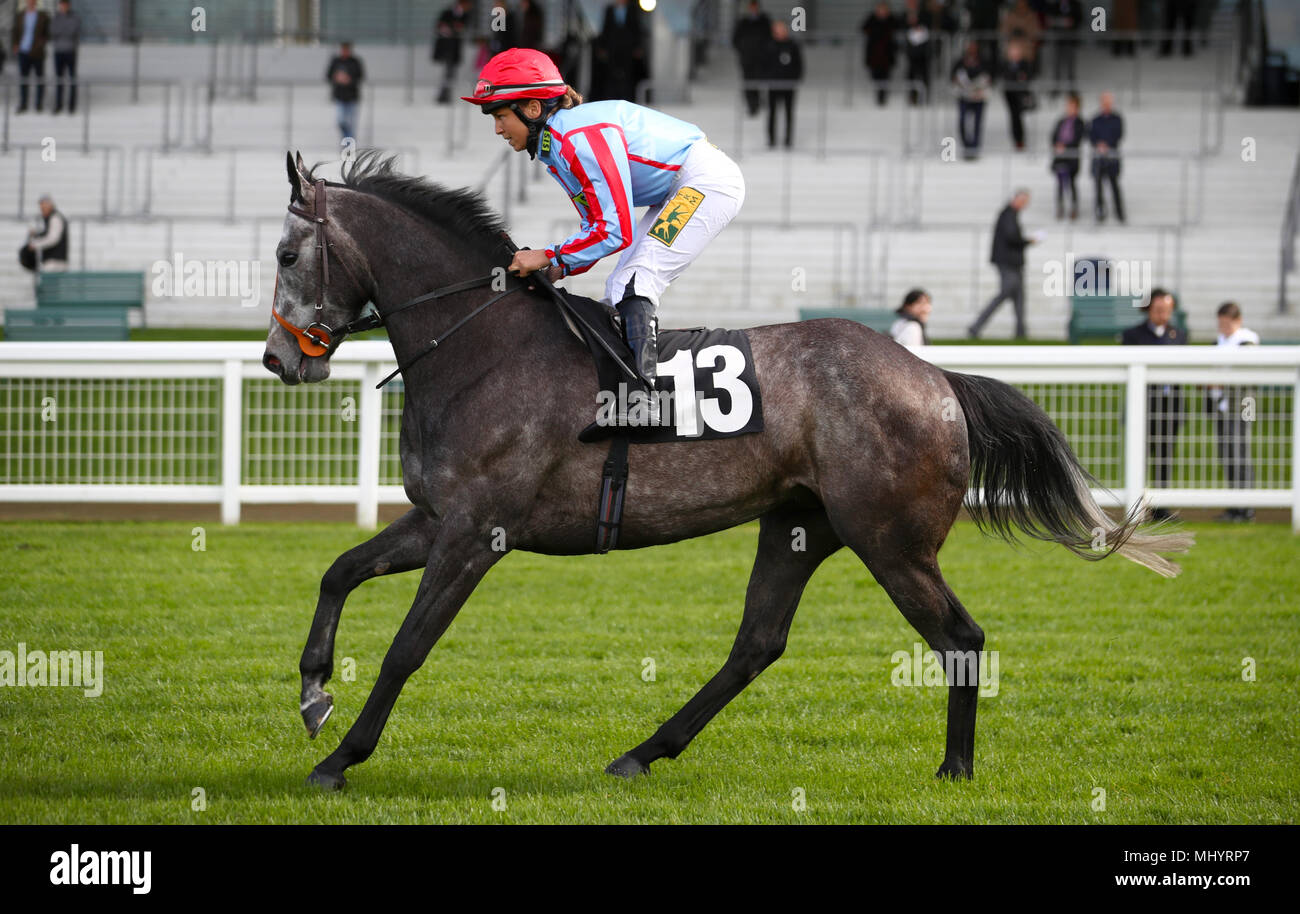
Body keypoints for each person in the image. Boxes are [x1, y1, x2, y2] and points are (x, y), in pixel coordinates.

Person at [461, 48, 745, 424]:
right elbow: (597, 227)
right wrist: (559, 266)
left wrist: (547, 255)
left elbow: (616, 230)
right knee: (617, 289)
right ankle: (623, 397)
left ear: (532, 109)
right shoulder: (556, 147)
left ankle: (645, 404)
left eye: (500, 116)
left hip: (704, 181)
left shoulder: (577, 137)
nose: (497, 129)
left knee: (636, 280)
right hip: (676, 189)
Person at [1121, 288, 1187, 521]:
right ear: (1149, 309)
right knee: (1139, 456)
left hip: (1170, 407)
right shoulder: (1132, 335)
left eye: (1167, 310)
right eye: (1159, 310)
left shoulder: (1178, 335)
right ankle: (1137, 507)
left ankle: (1160, 508)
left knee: (1164, 456)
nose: (1163, 314)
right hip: (1144, 407)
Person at [1211, 302, 1259, 522]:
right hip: (1221, 406)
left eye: (1227, 323)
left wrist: (1220, 382)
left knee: (1240, 454)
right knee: (1228, 454)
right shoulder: (1219, 341)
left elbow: (1245, 369)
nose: (1224, 327)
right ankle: (1234, 505)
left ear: (1237, 321)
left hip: (1241, 406)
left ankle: (1245, 507)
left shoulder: (1247, 340)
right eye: (1221, 323)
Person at [968, 189, 1037, 339]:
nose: (1024, 205)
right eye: (1023, 201)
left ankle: (1021, 332)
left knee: (1019, 298)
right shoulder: (1008, 215)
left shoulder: (1010, 215)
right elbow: (1012, 238)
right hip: (1008, 263)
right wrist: (1028, 241)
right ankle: (975, 327)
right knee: (1004, 294)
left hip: (1013, 263)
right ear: (1016, 199)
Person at [595, 0, 645, 102]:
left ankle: (628, 98)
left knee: (628, 75)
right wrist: (602, 47)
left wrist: (638, 46)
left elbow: (637, 29)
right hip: (612, 48)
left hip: (627, 49)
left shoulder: (633, 9)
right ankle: (610, 98)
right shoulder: (609, 10)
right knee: (611, 75)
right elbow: (605, 29)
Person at [762, 19, 802, 149]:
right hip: (774, 84)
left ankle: (788, 140)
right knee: (772, 112)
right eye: (778, 30)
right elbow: (764, 64)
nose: (781, 32)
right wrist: (768, 78)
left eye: (783, 29)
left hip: (789, 85)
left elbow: (799, 64)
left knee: (789, 112)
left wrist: (795, 79)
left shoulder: (792, 45)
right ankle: (771, 139)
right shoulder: (769, 45)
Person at [1089, 91, 1125, 224]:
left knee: (1114, 185)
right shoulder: (1095, 119)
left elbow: (1119, 134)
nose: (1107, 104)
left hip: (1112, 157)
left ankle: (1120, 212)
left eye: (1109, 102)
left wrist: (1107, 145)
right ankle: (1100, 212)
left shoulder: (1117, 119)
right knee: (1098, 187)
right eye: (1104, 102)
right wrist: (1099, 145)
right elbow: (1091, 135)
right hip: (1098, 157)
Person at [951, 41, 990, 160]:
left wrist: (980, 87)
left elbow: (989, 76)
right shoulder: (960, 62)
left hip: (979, 97)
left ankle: (974, 148)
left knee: (977, 123)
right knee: (962, 121)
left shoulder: (983, 62)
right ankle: (967, 146)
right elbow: (953, 76)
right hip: (964, 97)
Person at [1049, 91, 1085, 220]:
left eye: (1071, 106)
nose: (1068, 108)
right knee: (1059, 184)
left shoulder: (1080, 122)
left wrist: (1065, 147)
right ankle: (1060, 207)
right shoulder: (1061, 121)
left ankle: (1074, 208)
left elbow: (1077, 139)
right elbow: (1053, 136)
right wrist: (1057, 145)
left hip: (1071, 158)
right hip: (1060, 157)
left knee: (1072, 183)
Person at [732, 0, 771, 117]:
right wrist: (743, 50)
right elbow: (735, 39)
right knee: (748, 81)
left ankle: (757, 101)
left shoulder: (764, 21)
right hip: (747, 58)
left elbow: (769, 37)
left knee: (758, 79)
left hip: (760, 58)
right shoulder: (743, 22)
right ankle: (751, 104)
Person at [11, 0, 50, 114]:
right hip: (24, 51)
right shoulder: (20, 15)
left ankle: (39, 104)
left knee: (39, 79)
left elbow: (47, 33)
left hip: (37, 52)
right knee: (24, 79)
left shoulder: (43, 16)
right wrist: (15, 44)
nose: (30, 2)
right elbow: (15, 31)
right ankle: (23, 103)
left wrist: (42, 42)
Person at [433, 0, 471, 106]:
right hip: (446, 48)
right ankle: (443, 95)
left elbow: (462, 28)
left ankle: (445, 94)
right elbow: (440, 26)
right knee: (448, 73)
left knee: (451, 73)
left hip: (455, 49)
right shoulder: (448, 12)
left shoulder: (465, 15)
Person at [325, 41, 364, 144]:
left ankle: (349, 146)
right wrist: (337, 78)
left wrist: (349, 80)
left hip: (352, 97)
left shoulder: (355, 62)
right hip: (340, 97)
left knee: (351, 123)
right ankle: (346, 140)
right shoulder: (336, 61)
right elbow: (328, 76)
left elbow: (360, 76)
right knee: (341, 121)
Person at [19, 194, 68, 273]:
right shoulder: (51, 218)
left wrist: (35, 245)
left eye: (44, 207)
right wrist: (37, 234)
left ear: (50, 206)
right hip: (52, 261)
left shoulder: (55, 218)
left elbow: (53, 238)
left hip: (55, 262)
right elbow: (49, 234)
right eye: (41, 208)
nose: (42, 210)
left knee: (49, 284)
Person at [861, 2, 896, 107]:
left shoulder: (892, 20)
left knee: (885, 76)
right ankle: (878, 95)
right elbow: (863, 28)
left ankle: (882, 97)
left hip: (887, 55)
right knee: (875, 76)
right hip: (874, 55)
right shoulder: (871, 19)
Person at [1042, 0, 1081, 94]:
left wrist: (1072, 22)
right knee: (1056, 64)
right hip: (1058, 40)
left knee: (1070, 65)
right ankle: (1056, 87)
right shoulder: (1054, 5)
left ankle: (1071, 88)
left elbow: (1079, 19)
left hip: (1070, 40)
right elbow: (1048, 19)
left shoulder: (1075, 5)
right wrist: (1055, 22)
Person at [1001, 39, 1032, 151]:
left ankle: (1020, 139)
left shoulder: (1025, 64)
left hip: (1021, 94)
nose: (1015, 53)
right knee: (1014, 117)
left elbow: (1027, 77)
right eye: (1013, 51)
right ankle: (1017, 139)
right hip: (1010, 94)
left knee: (1018, 117)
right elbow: (1007, 78)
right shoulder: (1006, 64)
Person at [900, 0, 932, 105]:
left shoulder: (925, 15)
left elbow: (929, 26)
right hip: (911, 54)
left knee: (925, 76)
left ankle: (925, 98)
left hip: (923, 54)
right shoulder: (903, 16)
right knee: (911, 76)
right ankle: (912, 98)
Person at [50, 0, 78, 114]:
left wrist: (61, 30)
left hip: (70, 51)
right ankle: (58, 104)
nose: (63, 7)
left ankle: (71, 106)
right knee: (59, 79)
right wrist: (63, 30)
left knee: (72, 79)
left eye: (65, 5)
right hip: (58, 51)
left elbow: (72, 31)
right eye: (61, 5)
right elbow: (52, 31)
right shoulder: (56, 17)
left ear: (68, 6)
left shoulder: (75, 17)